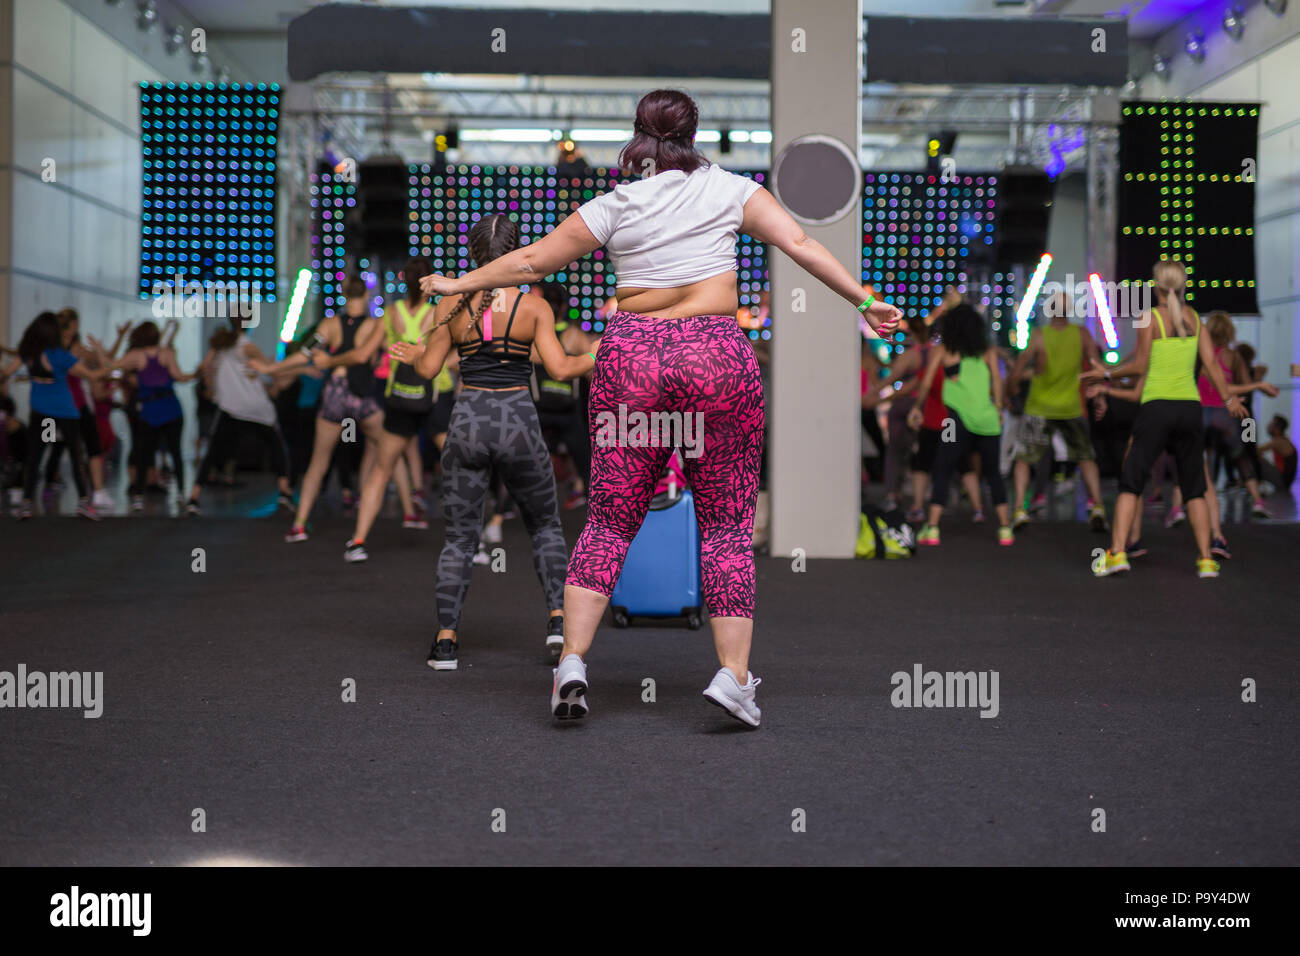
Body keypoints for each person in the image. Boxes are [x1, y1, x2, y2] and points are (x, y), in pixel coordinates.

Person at [416, 89, 902, 726]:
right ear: (694, 134)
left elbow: (531, 260)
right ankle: (732, 678)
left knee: (610, 521)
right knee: (726, 527)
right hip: (716, 358)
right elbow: (802, 244)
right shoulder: (732, 189)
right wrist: (865, 302)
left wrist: (460, 282)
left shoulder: (616, 203)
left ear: (637, 136)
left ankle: (574, 663)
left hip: (633, 361)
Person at [390, 214, 597, 668]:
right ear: (519, 253)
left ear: (472, 254)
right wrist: (600, 353)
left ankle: (446, 640)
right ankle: (558, 623)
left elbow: (427, 373)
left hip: (467, 422)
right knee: (544, 526)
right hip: (519, 423)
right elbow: (561, 370)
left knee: (460, 538)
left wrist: (414, 356)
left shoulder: (451, 306)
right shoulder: (534, 307)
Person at [1083, 260, 1242, 579]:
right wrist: (1228, 398)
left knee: (1131, 480)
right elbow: (1211, 365)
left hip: (1157, 408)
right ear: (1182, 286)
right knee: (1194, 486)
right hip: (1189, 409)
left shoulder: (1149, 318)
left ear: (1155, 287)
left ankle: (1116, 555)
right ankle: (1206, 561)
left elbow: (1140, 366)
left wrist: (1107, 373)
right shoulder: (1196, 320)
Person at [258, 276, 386, 541]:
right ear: (367, 295)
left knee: (319, 460)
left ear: (343, 293)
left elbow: (303, 354)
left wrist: (272, 369)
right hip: (362, 393)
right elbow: (383, 355)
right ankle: (403, 512)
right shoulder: (375, 326)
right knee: (389, 448)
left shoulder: (329, 325)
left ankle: (300, 524)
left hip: (336, 391)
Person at [342, 258, 439, 561]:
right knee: (460, 470)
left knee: (381, 469)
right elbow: (453, 357)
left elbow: (361, 355)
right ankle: (474, 544)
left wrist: (328, 362)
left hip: (399, 396)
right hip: (437, 393)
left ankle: (357, 542)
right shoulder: (440, 313)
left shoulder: (392, 314)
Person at [907, 303, 1013, 547]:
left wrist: (917, 407)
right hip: (987, 419)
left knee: (943, 467)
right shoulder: (986, 350)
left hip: (955, 420)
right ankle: (1005, 529)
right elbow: (997, 380)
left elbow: (926, 383)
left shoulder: (944, 350)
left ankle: (932, 528)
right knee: (993, 472)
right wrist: (998, 408)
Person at [1008, 292, 1108, 532]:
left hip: (1039, 407)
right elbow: (1097, 367)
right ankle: (1098, 507)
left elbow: (1019, 368)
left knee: (1024, 458)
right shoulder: (1082, 334)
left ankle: (1020, 509)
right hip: (1071, 407)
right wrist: (1100, 396)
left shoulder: (1040, 336)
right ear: (1070, 310)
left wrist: (1009, 393)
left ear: (1050, 311)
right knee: (1085, 456)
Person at [184, 317, 294, 516]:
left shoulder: (220, 346)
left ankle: (194, 497)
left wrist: (212, 387)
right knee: (277, 446)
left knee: (212, 452)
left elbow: (204, 368)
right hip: (256, 408)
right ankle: (284, 493)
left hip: (230, 407)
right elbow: (269, 370)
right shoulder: (248, 347)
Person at [15, 311, 111, 519]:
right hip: (65, 413)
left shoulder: (28, 352)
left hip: (43, 414)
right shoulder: (59, 355)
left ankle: (26, 502)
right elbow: (93, 374)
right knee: (75, 455)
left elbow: (8, 371)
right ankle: (84, 502)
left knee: (36, 455)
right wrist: (103, 358)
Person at [111, 320, 194, 511]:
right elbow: (179, 376)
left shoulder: (143, 355)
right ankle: (173, 492)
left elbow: (112, 366)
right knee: (161, 451)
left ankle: (143, 492)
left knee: (147, 451)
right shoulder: (154, 354)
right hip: (158, 408)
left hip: (154, 409)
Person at [1258, 415, 1296, 493]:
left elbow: (1255, 450)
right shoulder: (1284, 440)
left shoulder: (1278, 442)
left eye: (1270, 424)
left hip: (1282, 482)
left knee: (1254, 458)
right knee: (1257, 457)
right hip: (1285, 481)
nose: (1268, 426)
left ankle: (1250, 485)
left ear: (1277, 428)